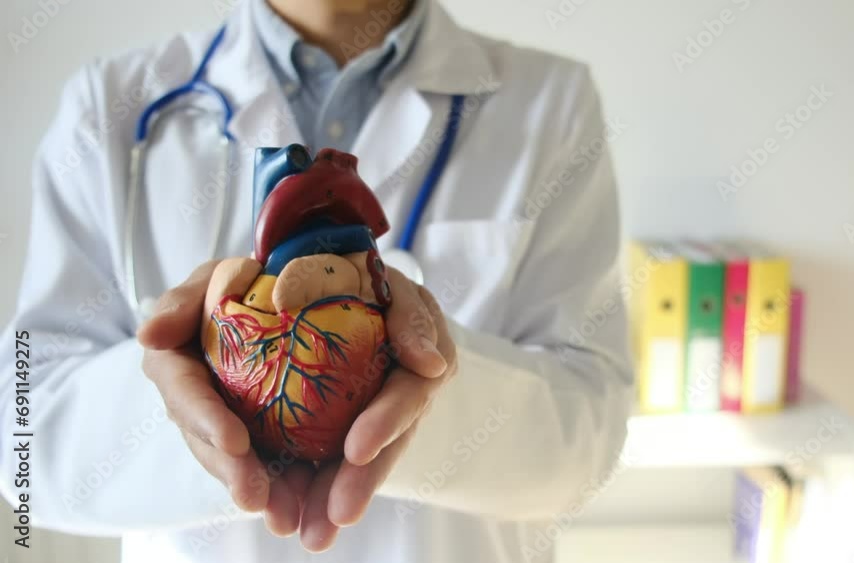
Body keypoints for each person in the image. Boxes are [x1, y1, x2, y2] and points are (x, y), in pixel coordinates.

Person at [0, 0, 632, 561]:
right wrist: (199, 380)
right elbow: (21, 440)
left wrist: (420, 378)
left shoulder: (552, 103)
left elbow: (590, 436)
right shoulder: (108, 106)